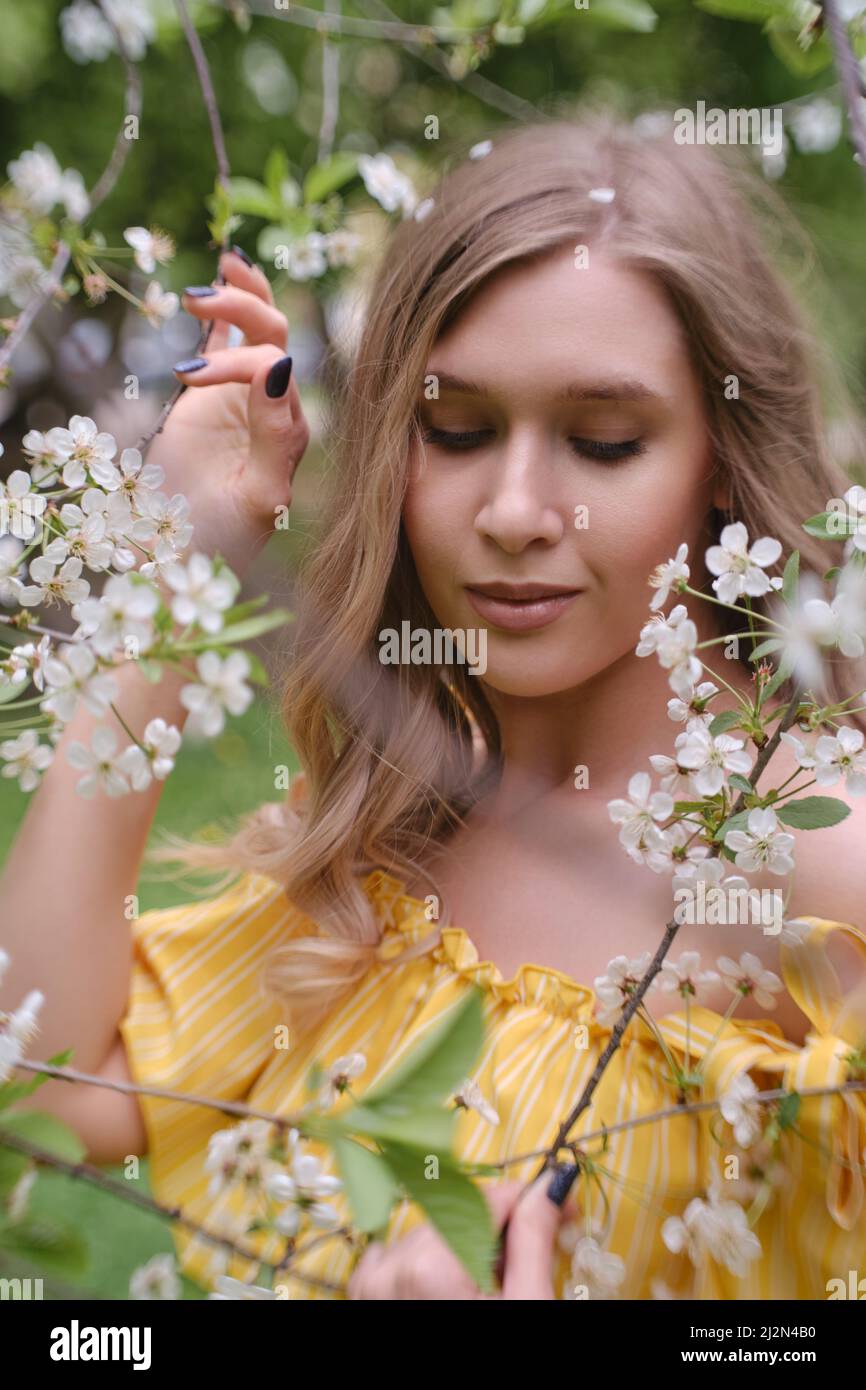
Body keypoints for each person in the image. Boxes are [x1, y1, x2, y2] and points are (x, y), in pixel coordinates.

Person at [2, 114, 866, 1301]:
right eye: (454, 429)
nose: (513, 508)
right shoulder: (392, 825)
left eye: (602, 441)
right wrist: (173, 568)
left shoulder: (814, 877)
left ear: (717, 453)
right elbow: (42, 1079)